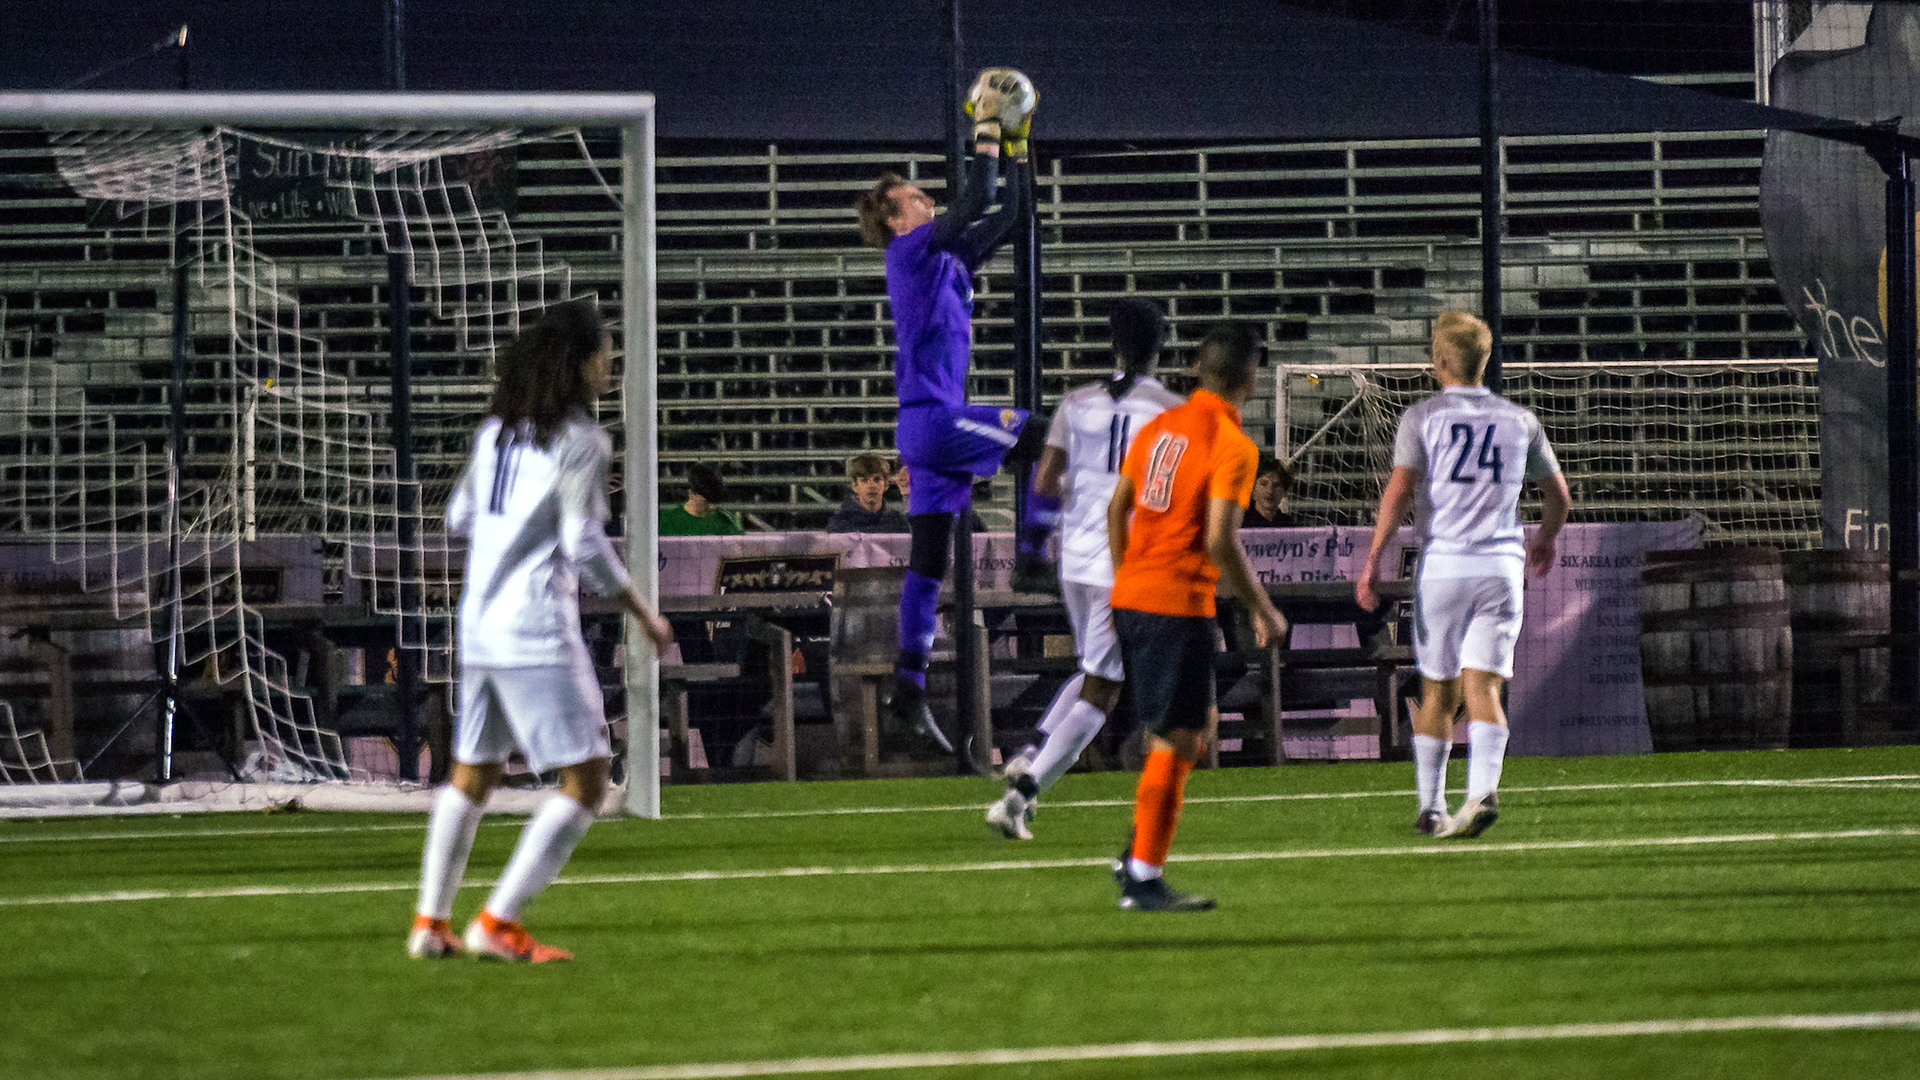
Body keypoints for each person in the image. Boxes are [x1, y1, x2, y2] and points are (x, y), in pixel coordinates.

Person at [409, 299, 674, 962]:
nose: (610, 363)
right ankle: (497, 922)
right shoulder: (582, 441)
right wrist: (642, 609)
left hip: (478, 622)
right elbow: (581, 541)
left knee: (471, 773)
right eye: (606, 352)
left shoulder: (496, 432)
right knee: (587, 780)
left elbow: (459, 517)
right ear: (584, 363)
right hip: (533, 625)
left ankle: (429, 922)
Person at [854, 69, 1046, 753]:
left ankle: (908, 686)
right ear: (894, 219)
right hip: (935, 419)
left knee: (928, 559)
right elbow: (977, 196)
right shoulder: (909, 251)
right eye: (912, 195)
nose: (924, 197)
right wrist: (988, 129)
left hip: (924, 427)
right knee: (1047, 439)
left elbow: (1014, 214)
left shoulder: (946, 257)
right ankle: (1033, 557)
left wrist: (1019, 144)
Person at [1355, 310, 1570, 840]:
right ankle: (1481, 792)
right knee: (1486, 688)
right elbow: (1559, 497)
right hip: (1500, 567)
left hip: (1445, 566)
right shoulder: (1520, 420)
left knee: (1437, 692)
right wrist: (1543, 539)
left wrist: (1373, 559)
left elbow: (1400, 491)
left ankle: (1431, 807)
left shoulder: (1423, 417)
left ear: (1442, 360)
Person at [986, 298, 1183, 839]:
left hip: (1074, 557)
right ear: (1159, 346)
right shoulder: (1168, 407)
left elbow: (1044, 484)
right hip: (1125, 558)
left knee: (1099, 668)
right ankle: (1021, 796)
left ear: (1113, 344)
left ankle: (1032, 750)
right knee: (1104, 687)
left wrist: (1044, 535)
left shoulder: (1076, 401)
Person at [1106, 324, 1287, 911]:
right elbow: (1219, 540)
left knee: (1180, 728)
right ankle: (1143, 878)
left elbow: (1117, 508)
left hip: (1134, 592)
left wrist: (1123, 577)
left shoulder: (1159, 426)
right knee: (1182, 737)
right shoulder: (1234, 447)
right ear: (1251, 379)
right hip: (1177, 600)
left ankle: (1134, 854)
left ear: (1196, 371)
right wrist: (1263, 610)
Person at [826, 453, 910, 533]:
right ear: (855, 486)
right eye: (864, 480)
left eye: (877, 480)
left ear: (886, 484)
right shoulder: (839, 524)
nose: (871, 486)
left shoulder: (898, 522)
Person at [658, 463, 743, 535]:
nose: (712, 506)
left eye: (713, 501)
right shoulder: (669, 522)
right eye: (706, 501)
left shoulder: (726, 522)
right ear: (691, 494)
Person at [1241, 457, 1296, 528]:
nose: (1270, 491)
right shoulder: (1240, 523)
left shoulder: (1288, 525)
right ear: (1252, 489)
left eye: (1276, 485)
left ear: (1284, 491)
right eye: (1263, 484)